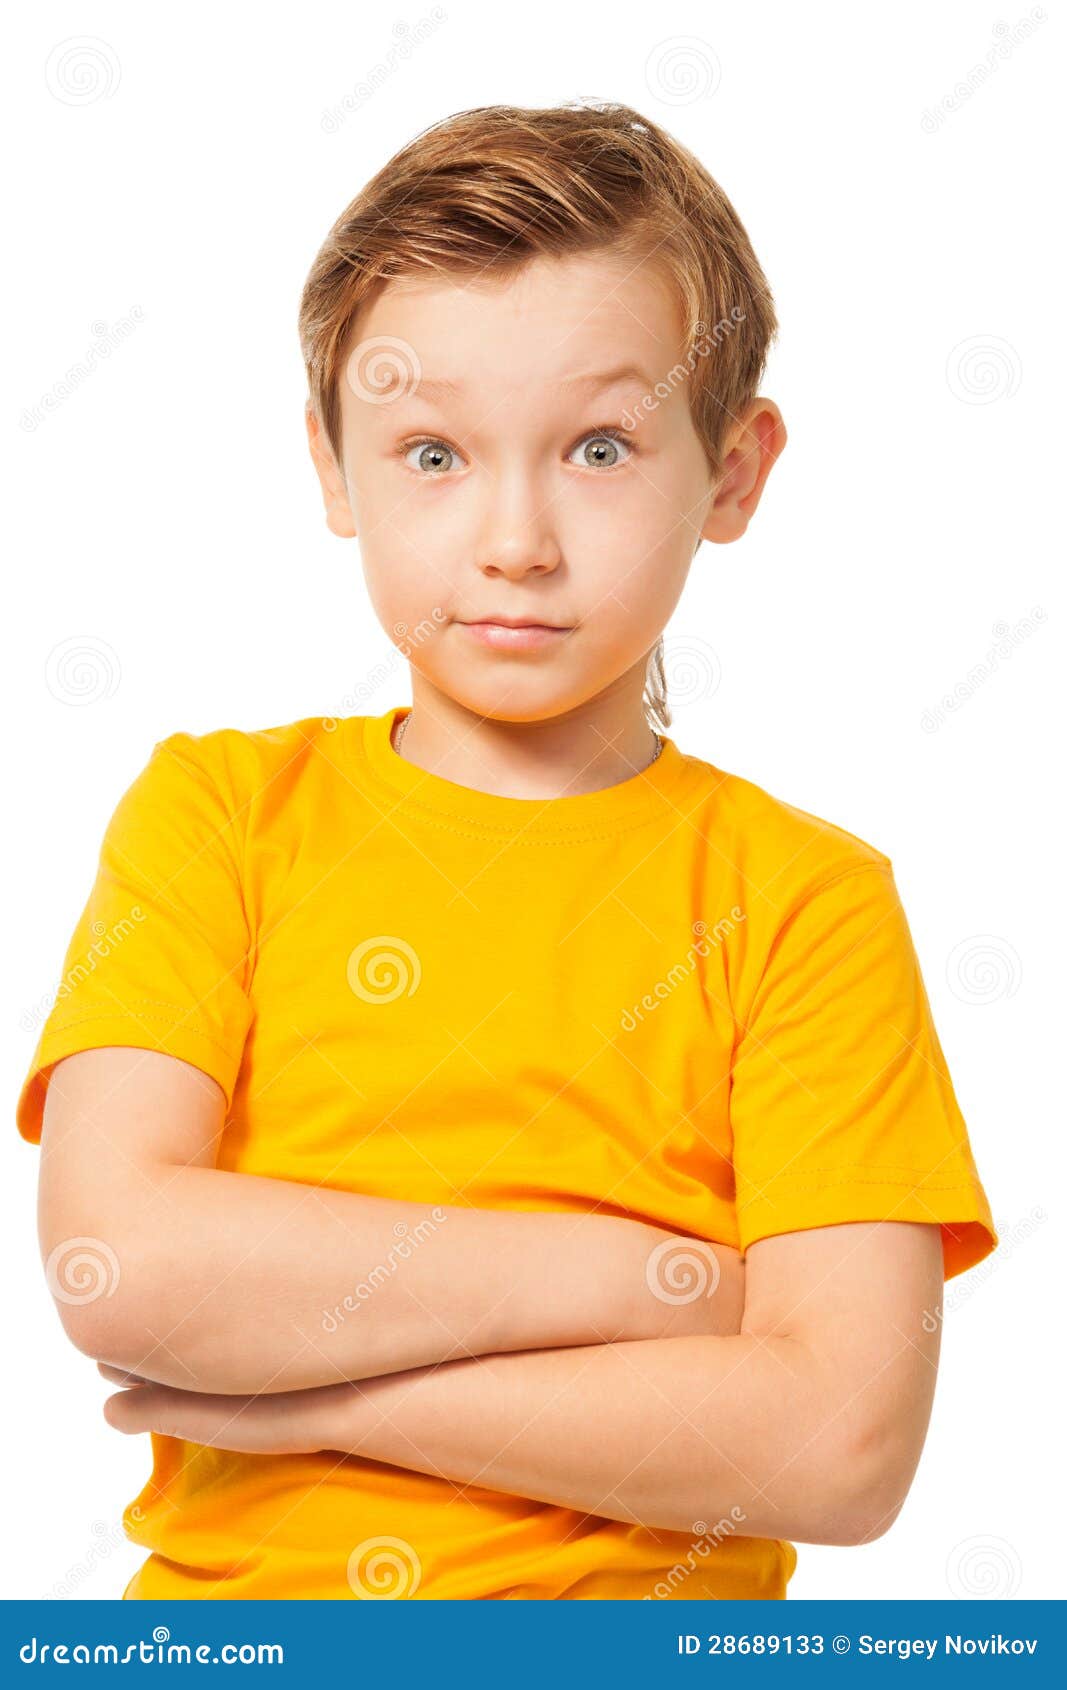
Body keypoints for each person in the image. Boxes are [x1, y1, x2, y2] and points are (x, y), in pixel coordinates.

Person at [16, 100, 996, 1602]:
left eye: (600, 445)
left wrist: (324, 1394)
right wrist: (629, 1282)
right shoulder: (218, 814)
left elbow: (840, 1441)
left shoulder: (804, 901)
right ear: (333, 470)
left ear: (733, 471)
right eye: (431, 453)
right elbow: (123, 1267)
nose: (516, 538)